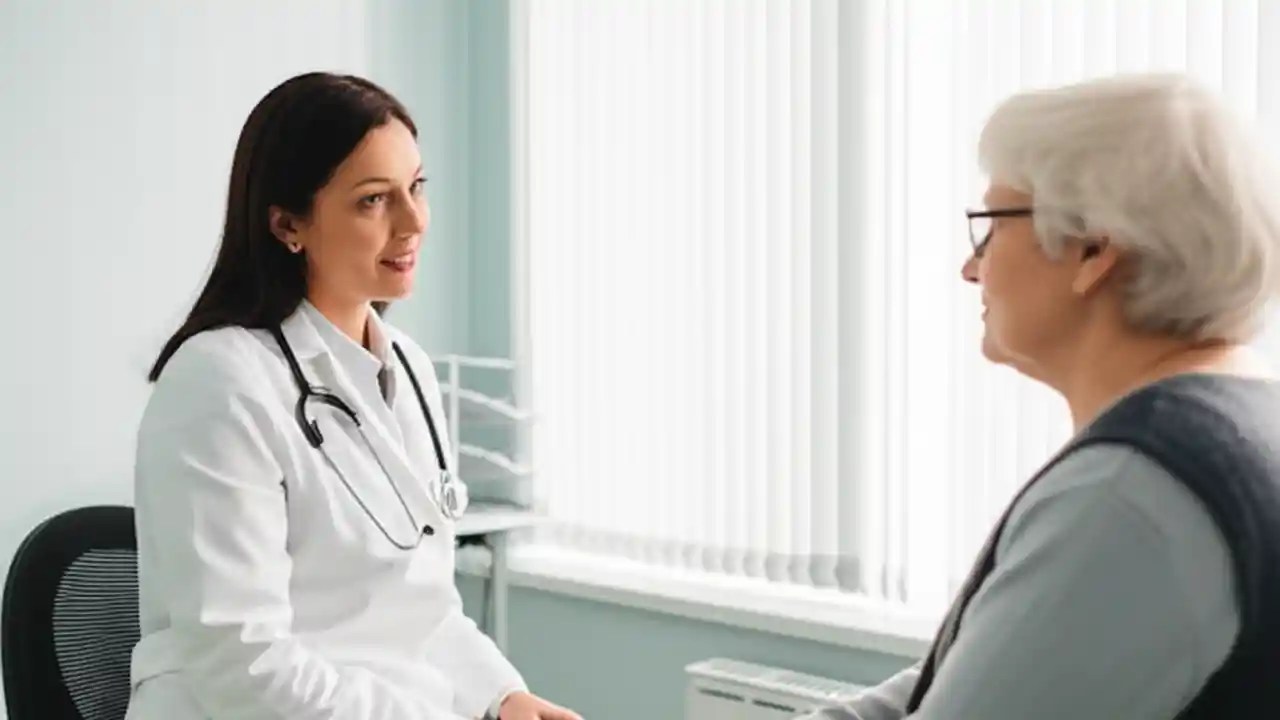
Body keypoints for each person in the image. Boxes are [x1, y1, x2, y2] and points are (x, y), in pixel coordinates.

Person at [801, 73, 1280, 718]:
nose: (971, 268)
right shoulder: (1245, 423)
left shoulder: (1129, 495)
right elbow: (983, 673)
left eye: (990, 226)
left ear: (1093, 248)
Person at [126, 72, 581, 720]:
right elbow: (243, 661)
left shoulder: (410, 373)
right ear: (288, 223)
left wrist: (501, 697)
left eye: (416, 187)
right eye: (373, 200)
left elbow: (418, 610)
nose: (414, 220)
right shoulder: (221, 382)